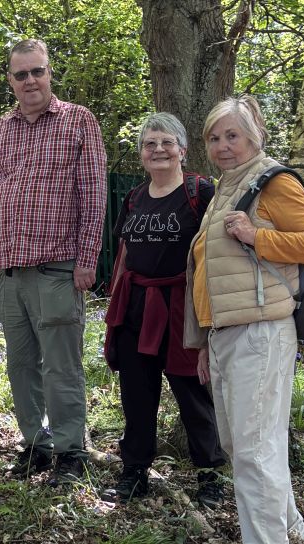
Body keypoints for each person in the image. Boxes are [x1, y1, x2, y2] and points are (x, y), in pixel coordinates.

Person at [184, 95, 304, 544]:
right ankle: (288, 529)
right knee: (244, 441)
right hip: (230, 333)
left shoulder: (275, 181)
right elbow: (208, 274)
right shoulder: (226, 188)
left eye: (233, 135)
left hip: (262, 331)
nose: (223, 146)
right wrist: (205, 341)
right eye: (214, 137)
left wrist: (256, 236)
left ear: (254, 135)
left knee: (253, 445)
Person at [0, 38, 107, 486]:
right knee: (21, 365)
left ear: (49, 73)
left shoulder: (79, 121)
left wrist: (87, 259)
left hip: (58, 269)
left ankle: (71, 451)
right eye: (21, 74)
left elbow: (94, 195)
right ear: (9, 80)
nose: (30, 80)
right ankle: (34, 445)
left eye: (37, 71)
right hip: (10, 275)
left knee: (61, 367)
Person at [101, 112, 227, 506]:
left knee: (193, 393)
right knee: (137, 395)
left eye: (166, 143)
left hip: (182, 308)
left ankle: (210, 477)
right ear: (141, 154)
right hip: (136, 306)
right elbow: (124, 253)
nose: (158, 150)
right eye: (150, 144)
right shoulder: (135, 197)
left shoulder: (200, 192)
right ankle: (134, 472)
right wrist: (114, 311)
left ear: (183, 150)